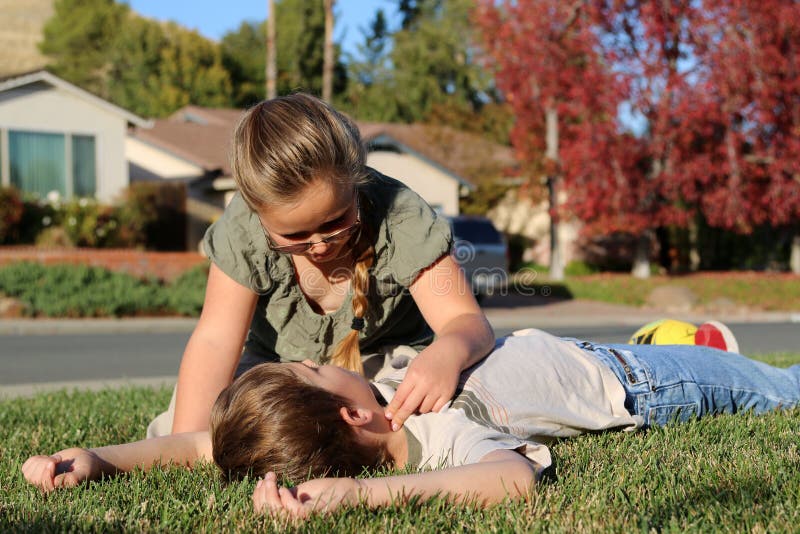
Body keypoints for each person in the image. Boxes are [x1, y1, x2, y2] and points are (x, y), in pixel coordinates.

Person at [23, 326, 800, 518]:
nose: (323, 355)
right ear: (352, 412)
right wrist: (360, 498)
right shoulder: (440, 436)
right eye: (315, 365)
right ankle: (690, 345)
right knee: (779, 385)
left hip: (596, 353)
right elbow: (515, 479)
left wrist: (98, 457)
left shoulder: (387, 408)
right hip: (643, 384)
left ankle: (678, 333)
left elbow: (205, 446)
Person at [150, 93, 495, 437]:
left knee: (448, 406)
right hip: (280, 369)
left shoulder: (402, 216)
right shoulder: (242, 230)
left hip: (389, 368)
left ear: (355, 183)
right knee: (208, 416)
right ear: (256, 213)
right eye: (295, 235)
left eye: (334, 222)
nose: (319, 245)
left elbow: (465, 320)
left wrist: (447, 354)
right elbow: (214, 341)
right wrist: (188, 439)